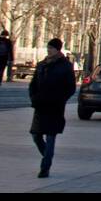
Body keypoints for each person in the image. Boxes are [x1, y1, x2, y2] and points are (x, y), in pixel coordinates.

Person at [29, 38, 76, 179]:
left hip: (55, 106)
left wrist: (60, 99)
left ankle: (45, 167)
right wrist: (34, 97)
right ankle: (47, 156)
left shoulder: (65, 66)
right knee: (36, 135)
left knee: (50, 137)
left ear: (57, 49)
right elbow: (33, 84)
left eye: (51, 48)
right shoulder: (42, 64)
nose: (48, 50)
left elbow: (71, 88)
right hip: (40, 105)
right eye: (48, 47)